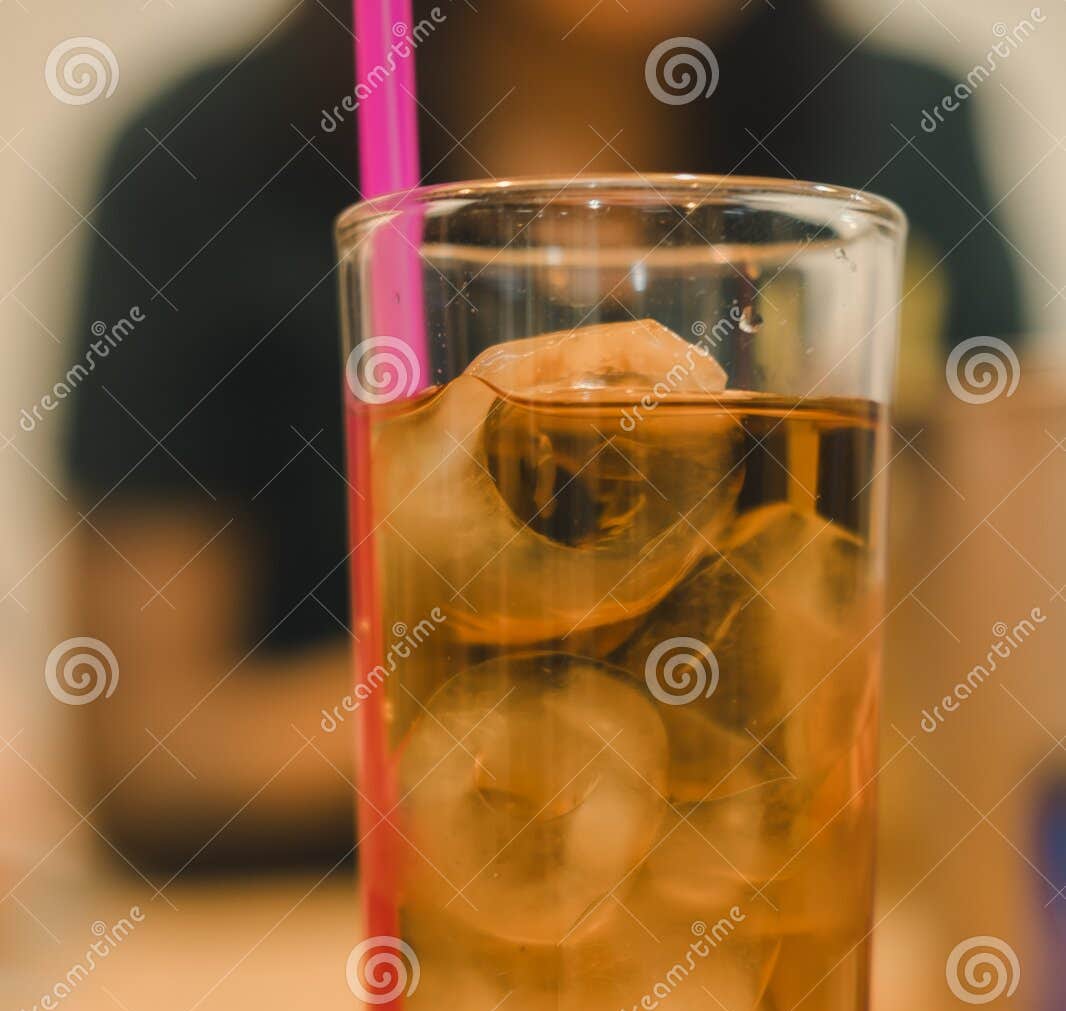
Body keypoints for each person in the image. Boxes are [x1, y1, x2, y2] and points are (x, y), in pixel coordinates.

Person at [65, 0, 1024, 870]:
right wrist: (565, 700)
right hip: (344, 921)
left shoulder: (901, 126)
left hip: (805, 900)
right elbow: (154, 759)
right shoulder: (211, 157)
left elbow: (997, 644)